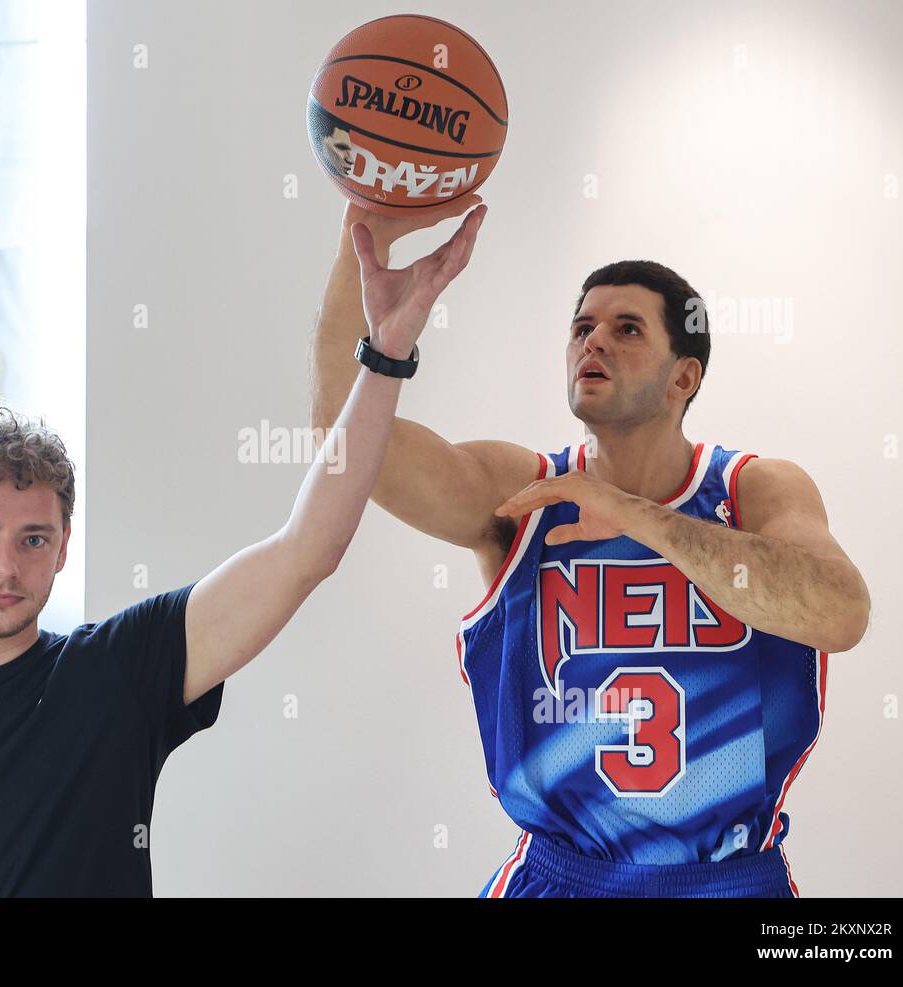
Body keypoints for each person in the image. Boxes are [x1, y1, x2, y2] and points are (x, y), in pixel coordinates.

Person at [0, 206, 485, 898]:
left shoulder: (117, 672)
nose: (4, 566)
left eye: (33, 539)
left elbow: (307, 549)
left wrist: (387, 352)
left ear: (63, 547)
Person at [311, 197, 872, 898]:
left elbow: (840, 609)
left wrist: (641, 518)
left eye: (626, 327)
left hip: (728, 881)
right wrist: (370, 290)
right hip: (561, 876)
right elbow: (346, 451)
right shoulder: (526, 493)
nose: (592, 340)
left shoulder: (753, 489)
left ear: (684, 377)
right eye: (582, 326)